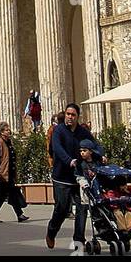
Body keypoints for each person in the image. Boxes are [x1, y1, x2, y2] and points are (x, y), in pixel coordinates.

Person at [45, 102, 103, 249]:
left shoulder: (82, 132)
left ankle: (79, 239)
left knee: (83, 207)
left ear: (77, 117)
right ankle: (52, 231)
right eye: (68, 114)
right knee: (62, 208)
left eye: (73, 115)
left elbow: (95, 145)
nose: (70, 117)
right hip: (61, 176)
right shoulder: (59, 130)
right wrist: (68, 161)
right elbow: (57, 148)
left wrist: (99, 155)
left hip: (79, 176)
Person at [0, 121, 30, 225]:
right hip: (4, 173)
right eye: (6, 130)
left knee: (9, 194)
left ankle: (17, 215)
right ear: (2, 132)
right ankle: (18, 214)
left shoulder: (8, 141)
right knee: (5, 195)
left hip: (10, 172)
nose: (9, 131)